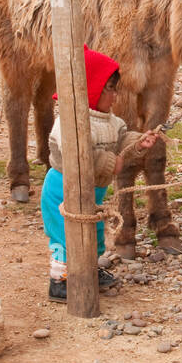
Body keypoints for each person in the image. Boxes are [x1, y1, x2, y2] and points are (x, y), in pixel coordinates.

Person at [40, 44, 156, 302]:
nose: (115, 96)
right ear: (92, 88)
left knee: (94, 234)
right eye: (110, 88)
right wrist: (107, 163)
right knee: (64, 236)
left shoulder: (110, 121)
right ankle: (59, 280)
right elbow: (75, 155)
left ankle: (90, 268)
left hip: (94, 192)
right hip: (61, 192)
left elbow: (121, 139)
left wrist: (139, 142)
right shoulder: (69, 122)